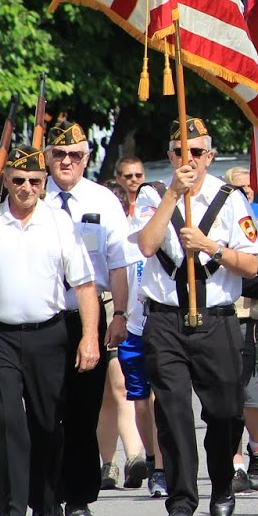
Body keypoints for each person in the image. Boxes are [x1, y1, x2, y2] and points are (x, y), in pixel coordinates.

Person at [0, 145, 98, 516]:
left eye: (34, 181)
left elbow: (83, 284)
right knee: (8, 420)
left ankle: (46, 506)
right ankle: (11, 514)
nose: (26, 188)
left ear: (44, 182)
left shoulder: (58, 222)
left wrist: (89, 338)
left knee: (48, 422)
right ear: (7, 182)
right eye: (18, 180)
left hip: (47, 335)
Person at [133, 117, 258, 516]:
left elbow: (252, 264)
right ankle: (181, 499)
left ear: (209, 156)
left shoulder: (229, 199)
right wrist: (174, 193)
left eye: (195, 152)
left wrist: (212, 248)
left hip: (217, 319)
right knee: (172, 412)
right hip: (166, 319)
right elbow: (147, 244)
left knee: (225, 412)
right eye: (178, 152)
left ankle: (223, 484)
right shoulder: (153, 194)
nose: (186, 159)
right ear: (170, 155)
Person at [41, 120, 133, 516]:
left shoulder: (103, 200)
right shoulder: (32, 196)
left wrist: (121, 315)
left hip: (89, 314)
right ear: (46, 157)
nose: (66, 162)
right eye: (58, 154)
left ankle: (78, 495)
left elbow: (119, 264)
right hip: (41, 314)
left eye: (75, 155)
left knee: (82, 411)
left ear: (87, 158)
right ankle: (46, 495)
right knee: (45, 412)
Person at [115, 181, 168, 499]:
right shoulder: (127, 239)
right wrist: (118, 315)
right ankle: (151, 457)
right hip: (134, 330)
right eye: (145, 207)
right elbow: (118, 276)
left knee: (163, 397)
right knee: (140, 400)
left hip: (163, 327)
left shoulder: (167, 234)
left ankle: (162, 469)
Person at [97, 178, 147, 491]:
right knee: (105, 397)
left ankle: (134, 456)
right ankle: (107, 463)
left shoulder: (132, 236)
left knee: (120, 385)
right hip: (95, 308)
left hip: (123, 315)